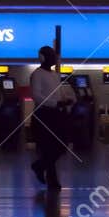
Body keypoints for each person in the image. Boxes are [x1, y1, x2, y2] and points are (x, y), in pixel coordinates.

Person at [29, 45, 75, 190]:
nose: (54, 58)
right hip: (43, 115)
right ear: (43, 57)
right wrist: (55, 103)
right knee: (48, 148)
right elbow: (36, 96)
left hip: (56, 114)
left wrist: (67, 99)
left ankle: (39, 166)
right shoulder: (37, 74)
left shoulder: (55, 75)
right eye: (51, 56)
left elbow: (59, 92)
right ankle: (52, 181)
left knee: (61, 145)